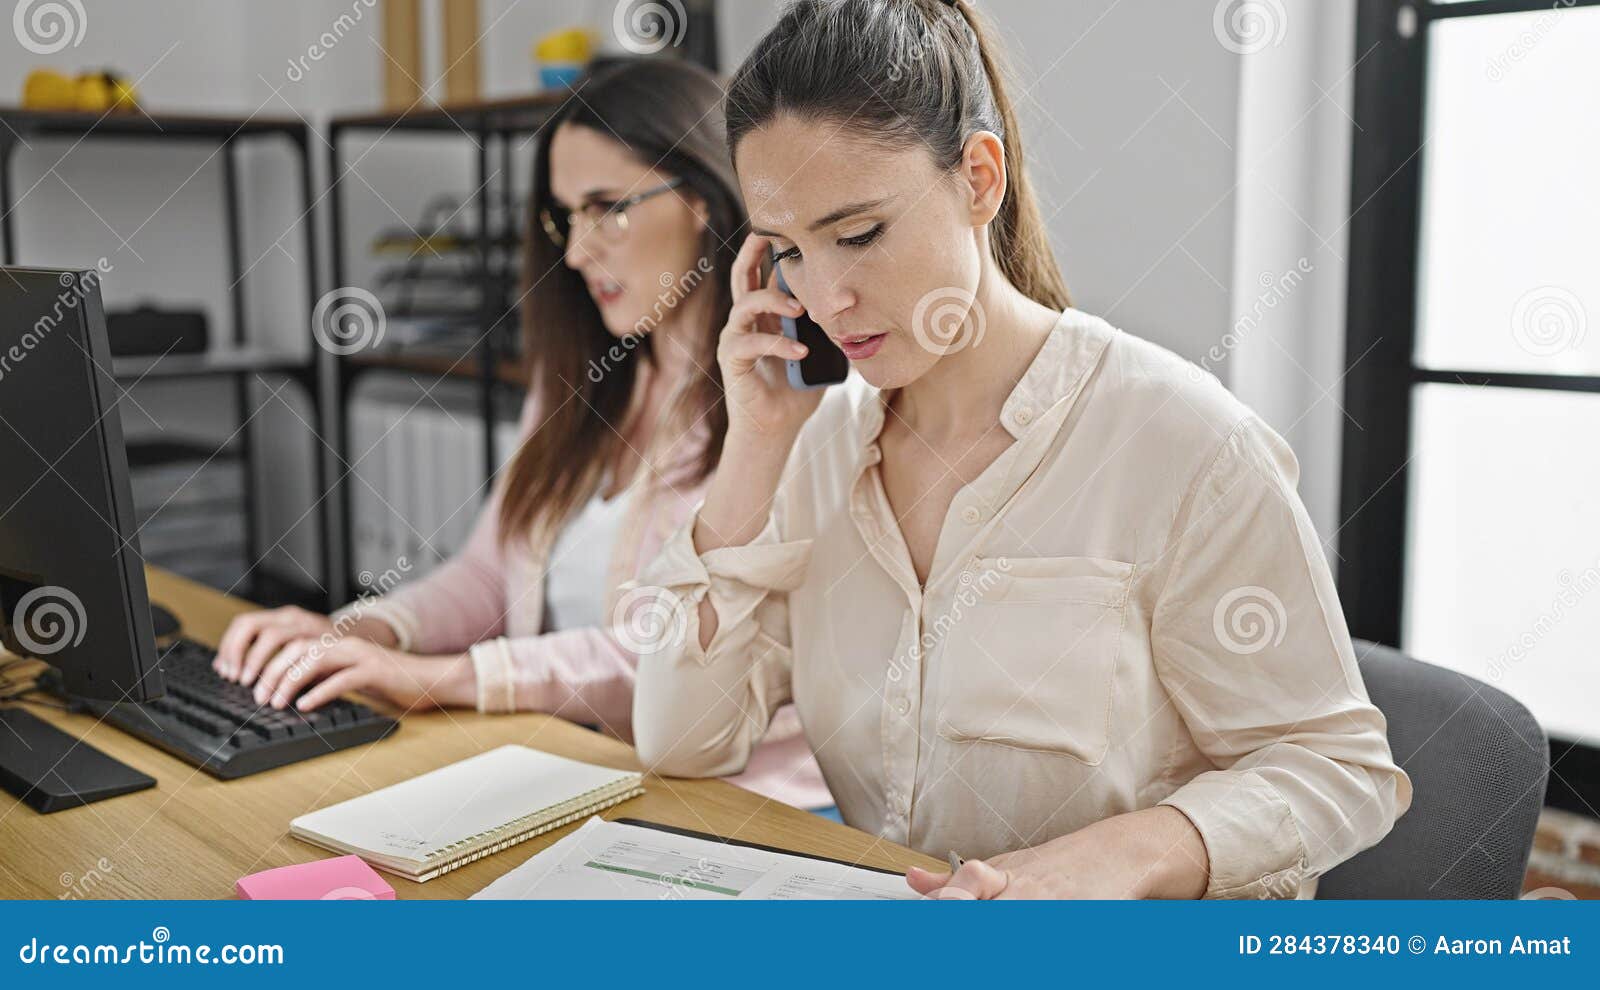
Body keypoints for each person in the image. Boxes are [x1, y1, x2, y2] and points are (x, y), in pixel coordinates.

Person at [631, 0, 1412, 897]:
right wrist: (755, 448)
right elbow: (680, 739)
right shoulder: (819, 452)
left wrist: (1128, 853)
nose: (825, 299)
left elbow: (1338, 768)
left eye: (857, 236)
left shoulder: (1183, 443)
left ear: (979, 177)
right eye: (788, 254)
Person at [210, 59, 830, 811]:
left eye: (607, 207)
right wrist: (364, 632)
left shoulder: (783, 402)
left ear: (703, 198)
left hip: (740, 798)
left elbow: (665, 655)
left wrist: (448, 678)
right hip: (577, 763)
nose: (576, 250)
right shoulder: (584, 377)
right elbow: (487, 577)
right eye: (564, 215)